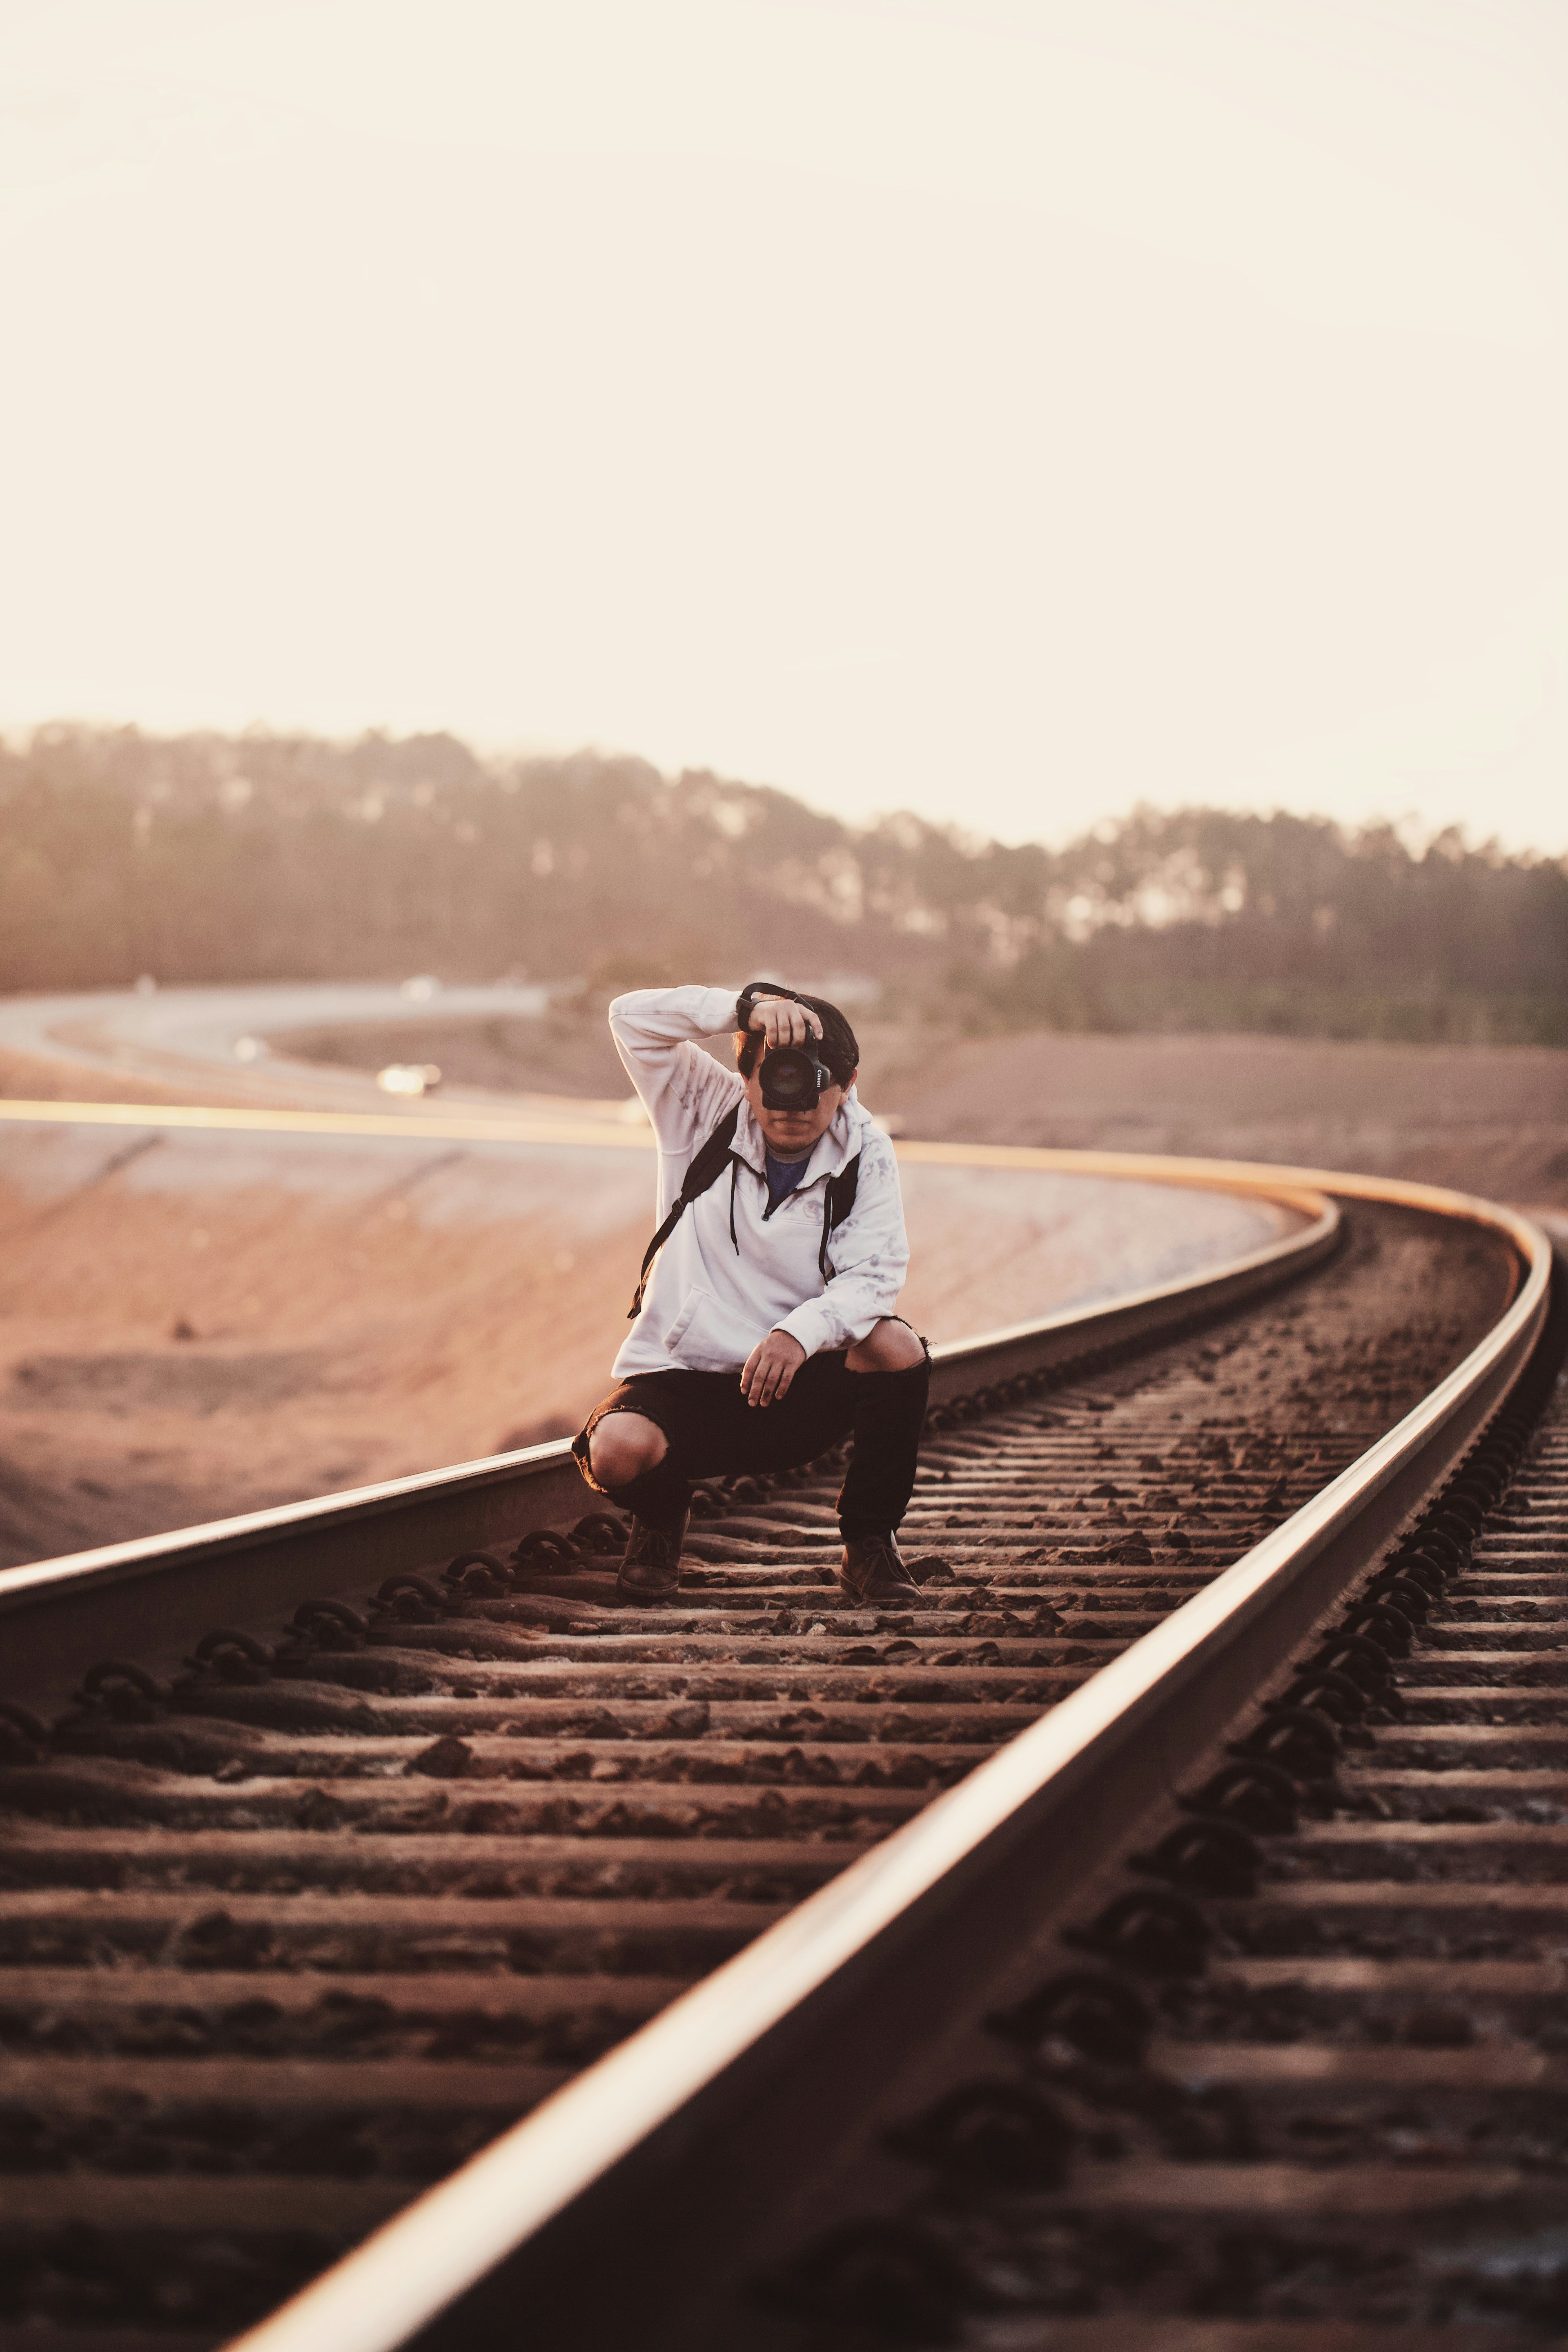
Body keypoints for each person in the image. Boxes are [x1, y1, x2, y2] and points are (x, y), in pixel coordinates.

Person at [572, 979, 930, 1603]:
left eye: (813, 1080)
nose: (791, 1100)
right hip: (691, 1374)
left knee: (895, 1345)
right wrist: (745, 1010)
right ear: (746, 1078)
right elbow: (629, 1018)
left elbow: (873, 1277)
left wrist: (801, 1332)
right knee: (616, 1452)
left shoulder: (865, 1148)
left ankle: (869, 1544)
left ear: (846, 1086)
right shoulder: (704, 1112)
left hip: (798, 1385)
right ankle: (660, 1518)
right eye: (773, 1077)